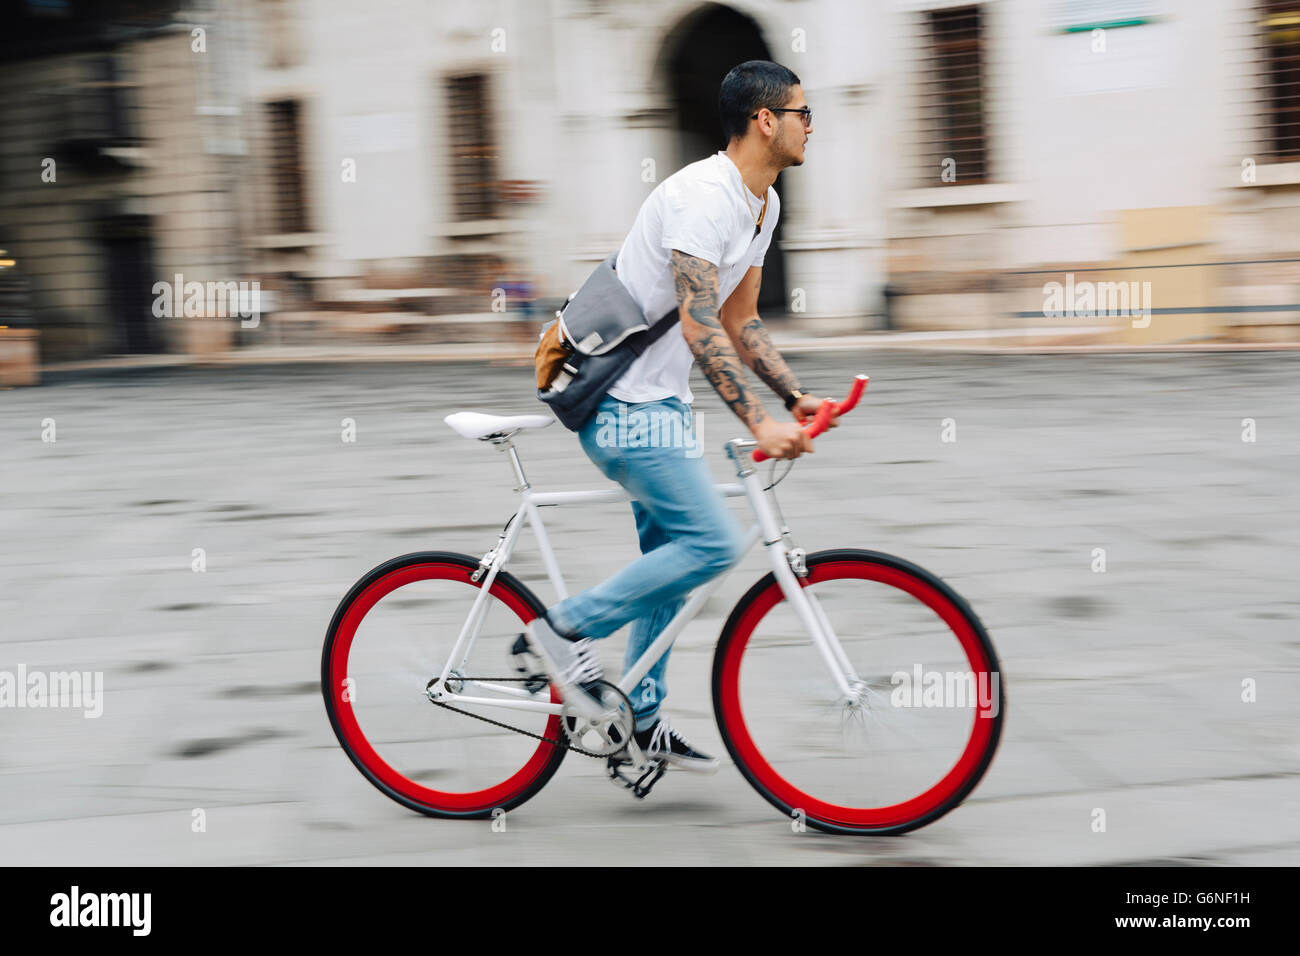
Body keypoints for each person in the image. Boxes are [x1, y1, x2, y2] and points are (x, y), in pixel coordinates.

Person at [523, 60, 838, 773]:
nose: (812, 125)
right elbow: (700, 327)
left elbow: (740, 319)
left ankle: (639, 721)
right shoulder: (704, 197)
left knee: (674, 566)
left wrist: (794, 396)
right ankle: (561, 629)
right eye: (803, 113)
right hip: (615, 402)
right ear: (766, 120)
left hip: (660, 404)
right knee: (712, 545)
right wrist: (760, 425)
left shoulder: (763, 203)